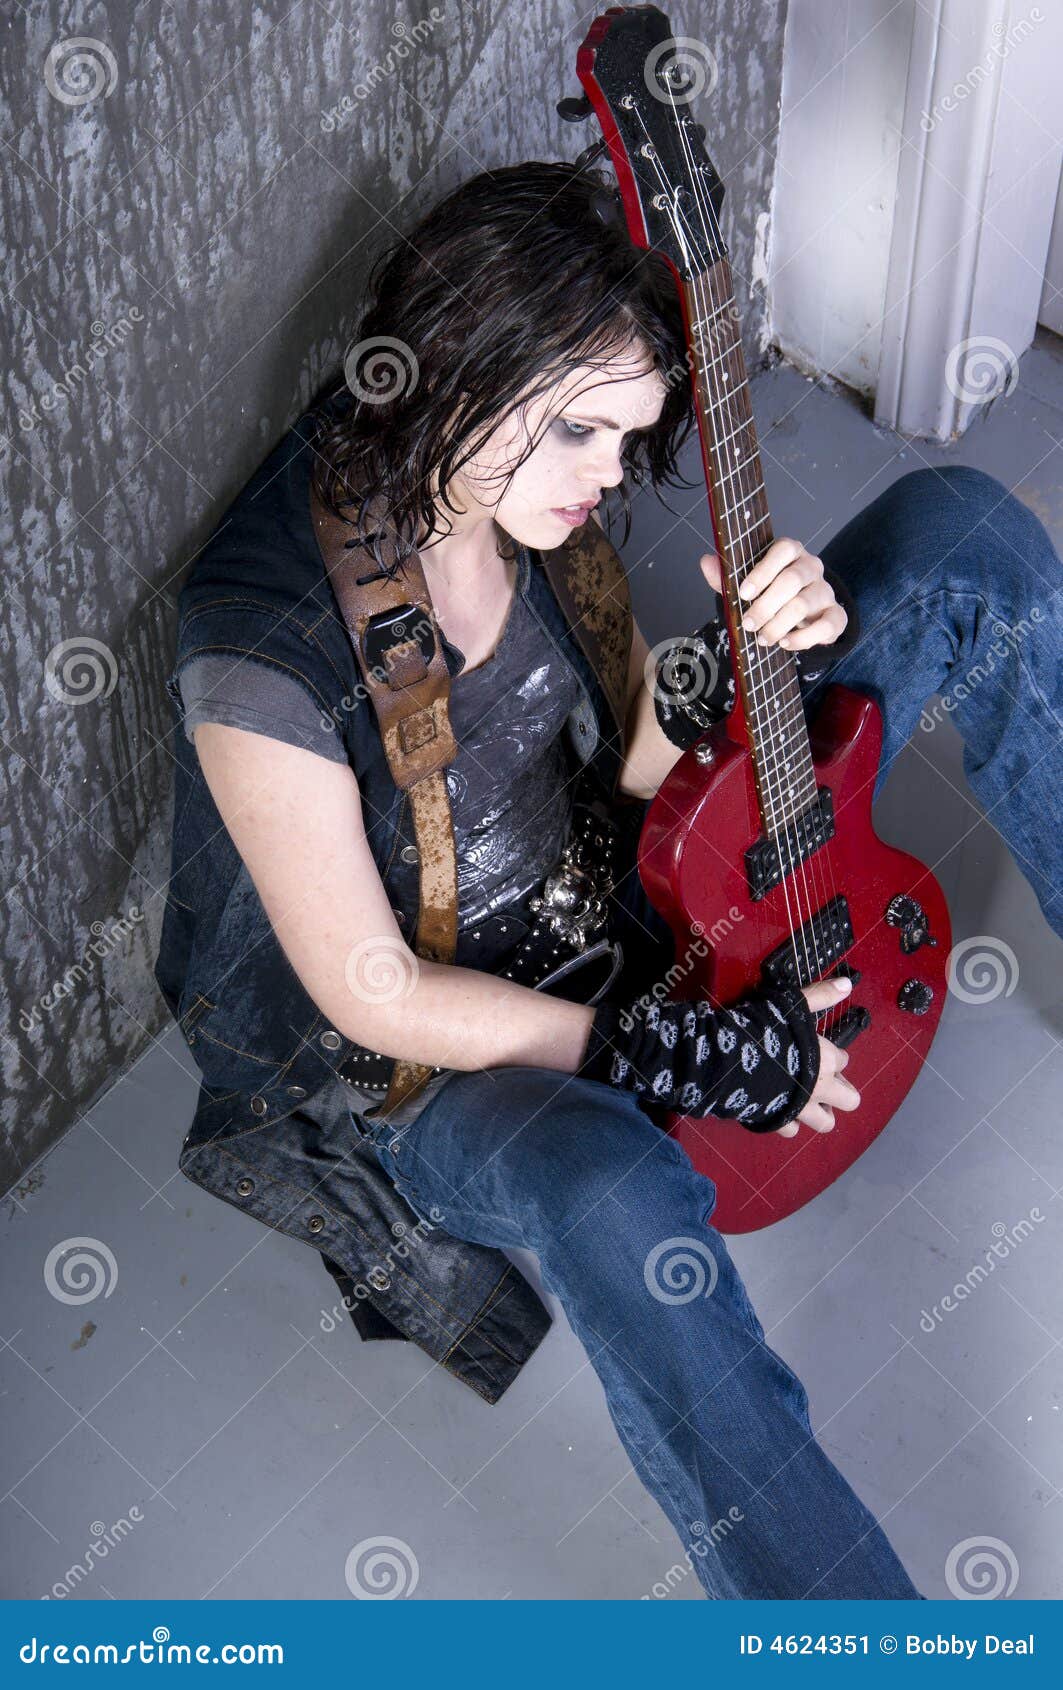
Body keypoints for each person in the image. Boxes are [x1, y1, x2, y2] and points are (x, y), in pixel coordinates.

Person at [159, 160, 1062, 1599]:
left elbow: (639, 762)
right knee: (606, 1188)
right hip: (454, 1055)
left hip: (631, 894)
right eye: (579, 431)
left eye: (627, 437)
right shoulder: (256, 637)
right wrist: (673, 1049)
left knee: (965, 534)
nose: (606, 477)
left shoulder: (538, 505)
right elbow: (370, 989)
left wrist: (746, 658)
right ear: (461, 365)